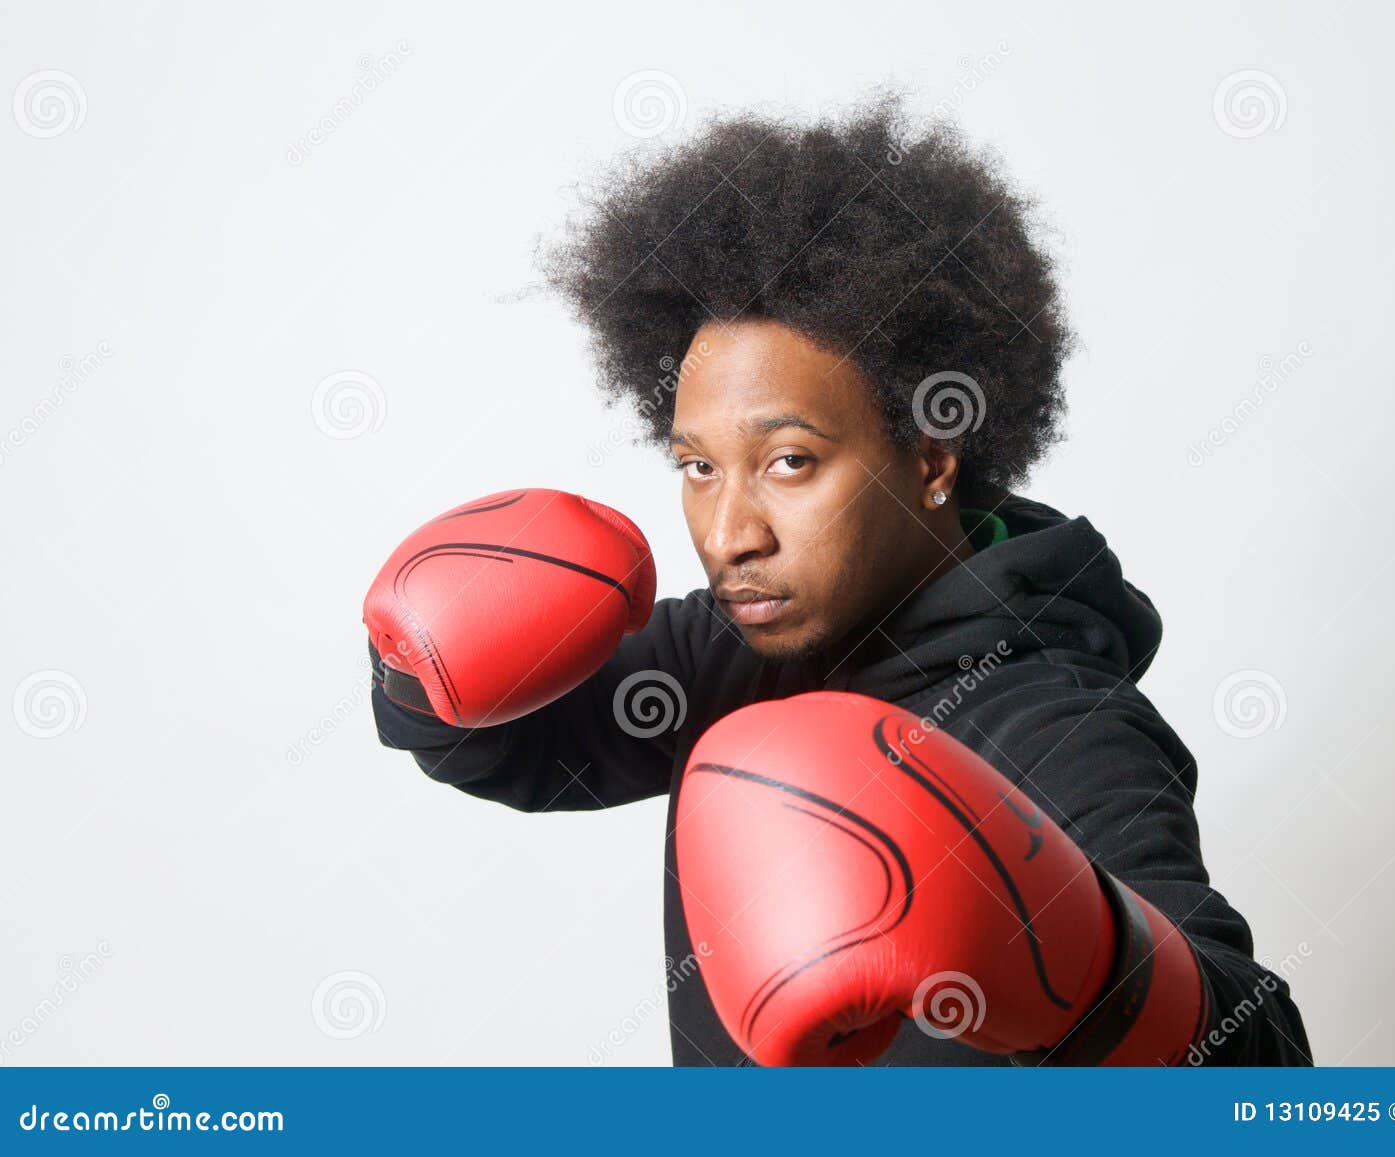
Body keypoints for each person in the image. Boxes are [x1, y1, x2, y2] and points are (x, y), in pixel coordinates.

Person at [366, 93, 1313, 1066]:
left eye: (788, 461)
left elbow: (1257, 1060)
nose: (729, 532)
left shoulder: (1051, 718)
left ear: (930, 459)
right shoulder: (737, 648)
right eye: (698, 467)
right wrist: (421, 654)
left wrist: (1086, 972)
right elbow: (509, 743)